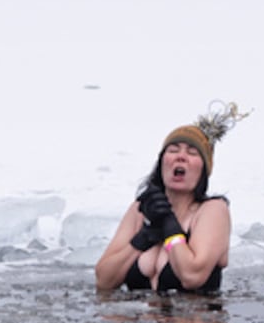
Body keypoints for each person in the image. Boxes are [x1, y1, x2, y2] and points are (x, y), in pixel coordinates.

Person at [95, 103, 246, 295]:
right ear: (161, 162)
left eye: (192, 153)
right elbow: (103, 281)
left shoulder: (212, 210)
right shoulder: (139, 211)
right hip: (142, 322)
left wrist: (170, 227)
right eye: (173, 150)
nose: (181, 157)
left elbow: (192, 276)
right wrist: (144, 238)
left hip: (192, 322)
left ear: (204, 171)